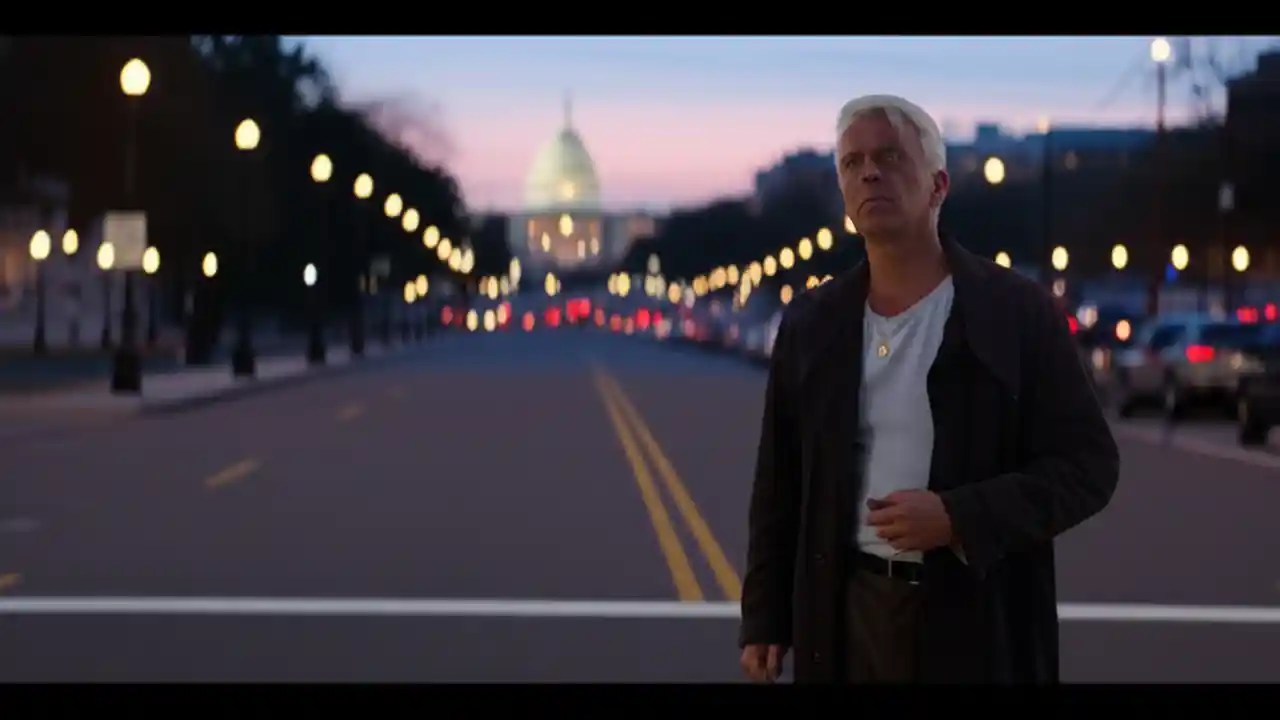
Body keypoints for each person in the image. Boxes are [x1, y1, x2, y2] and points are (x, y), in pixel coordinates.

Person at [737, 94, 1120, 684]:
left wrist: (958, 517)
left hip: (975, 617)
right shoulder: (813, 322)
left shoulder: (1014, 312)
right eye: (853, 162)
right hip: (844, 612)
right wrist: (765, 616)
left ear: (939, 185)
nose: (869, 172)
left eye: (890, 157)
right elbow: (779, 482)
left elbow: (1089, 467)